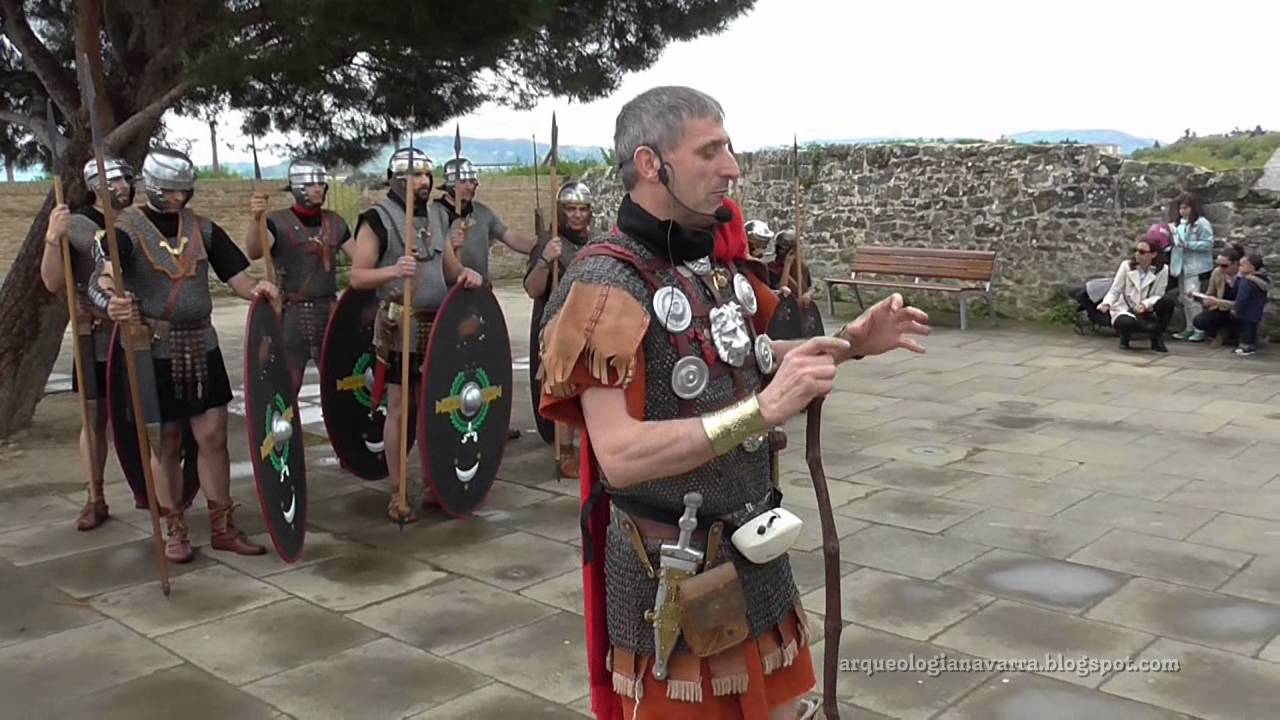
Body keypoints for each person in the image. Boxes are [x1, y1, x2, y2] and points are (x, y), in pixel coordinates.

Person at [538, 85, 929, 720]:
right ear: (650, 163)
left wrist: (852, 344)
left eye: (729, 148)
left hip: (752, 556)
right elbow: (620, 456)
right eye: (710, 151)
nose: (732, 168)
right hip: (672, 575)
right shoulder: (605, 285)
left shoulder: (708, 268)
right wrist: (763, 412)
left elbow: (755, 362)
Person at [98, 147, 275, 562]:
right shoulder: (125, 230)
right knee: (166, 441)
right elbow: (104, 277)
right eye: (173, 191)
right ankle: (174, 528)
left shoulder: (202, 229)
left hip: (202, 344)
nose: (181, 197)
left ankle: (222, 526)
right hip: (152, 348)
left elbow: (238, 277)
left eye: (185, 190)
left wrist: (259, 289)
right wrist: (110, 300)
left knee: (213, 436)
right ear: (155, 188)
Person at [348, 148, 480, 523]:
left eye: (426, 175)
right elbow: (357, 276)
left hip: (437, 325)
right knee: (400, 406)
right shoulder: (377, 218)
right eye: (415, 176)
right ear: (396, 179)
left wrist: (465, 274)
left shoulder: (438, 214)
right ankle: (399, 490)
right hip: (399, 324)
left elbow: (449, 269)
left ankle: (436, 482)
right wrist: (393, 271)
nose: (423, 182)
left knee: (436, 407)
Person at [40, 157, 134, 530]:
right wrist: (52, 238)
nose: (124, 186)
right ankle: (95, 497)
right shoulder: (79, 224)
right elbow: (52, 282)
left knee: (151, 417)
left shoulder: (139, 222)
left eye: (126, 180)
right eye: (115, 181)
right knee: (94, 418)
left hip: (143, 332)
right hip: (97, 336)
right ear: (96, 185)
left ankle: (159, 494)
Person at [432, 154, 537, 442]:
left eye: (473, 180)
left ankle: (493, 421)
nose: (472, 185)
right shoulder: (435, 215)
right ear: (451, 184)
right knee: (452, 364)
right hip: (448, 300)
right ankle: (450, 424)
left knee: (487, 361)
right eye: (466, 181)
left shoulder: (482, 213)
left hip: (481, 299)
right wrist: (451, 246)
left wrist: (540, 246)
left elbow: (509, 236)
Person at [246, 159, 354, 391]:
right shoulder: (276, 222)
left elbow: (361, 257)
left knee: (336, 386)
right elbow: (255, 251)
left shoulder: (335, 222)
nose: (318, 189)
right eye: (311, 184)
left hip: (328, 310)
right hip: (292, 314)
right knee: (288, 384)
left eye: (321, 184)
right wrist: (256, 220)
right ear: (296, 187)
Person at [524, 180, 594, 477]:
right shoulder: (548, 243)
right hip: (557, 324)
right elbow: (532, 289)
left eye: (582, 209)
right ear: (560, 211)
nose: (577, 215)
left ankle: (592, 447)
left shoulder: (595, 243)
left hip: (589, 322)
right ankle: (565, 450)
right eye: (570, 209)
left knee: (590, 385)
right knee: (562, 385)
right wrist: (545, 260)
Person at [1097, 238, 1173, 352]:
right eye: (1135, 250)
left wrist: (1145, 305)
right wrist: (1107, 303)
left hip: (1147, 309)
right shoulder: (1126, 266)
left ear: (1153, 254)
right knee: (1126, 322)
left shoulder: (1162, 269)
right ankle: (1125, 337)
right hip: (1126, 308)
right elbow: (1115, 289)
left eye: (1142, 252)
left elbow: (1158, 294)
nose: (1137, 254)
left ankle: (1157, 337)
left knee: (1167, 303)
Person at [1167, 193, 1214, 340]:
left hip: (1196, 266)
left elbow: (1208, 243)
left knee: (1192, 297)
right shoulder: (1180, 224)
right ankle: (1189, 327)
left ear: (1193, 208)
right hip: (1181, 266)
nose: (1182, 211)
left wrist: (1188, 244)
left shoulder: (1201, 223)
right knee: (1184, 298)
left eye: (1186, 208)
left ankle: (1199, 329)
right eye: (1180, 208)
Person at [1190, 245, 1245, 344]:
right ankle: (1222, 331)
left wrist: (1217, 301)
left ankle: (1233, 334)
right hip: (1221, 310)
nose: (1220, 268)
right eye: (1218, 264)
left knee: (1237, 317)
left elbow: (1241, 304)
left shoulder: (1244, 277)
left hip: (1240, 311)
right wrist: (1201, 299)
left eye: (1224, 265)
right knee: (1199, 321)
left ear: (1236, 264)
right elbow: (1210, 293)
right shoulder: (1217, 272)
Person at [1231, 252, 1269, 356]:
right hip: (1257, 310)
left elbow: (1241, 297)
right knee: (1252, 328)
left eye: (1241, 265)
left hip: (1246, 311)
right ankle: (1251, 346)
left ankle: (1245, 347)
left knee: (1245, 329)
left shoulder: (1246, 281)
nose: (1239, 267)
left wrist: (1236, 308)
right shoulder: (1262, 280)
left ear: (1251, 267)